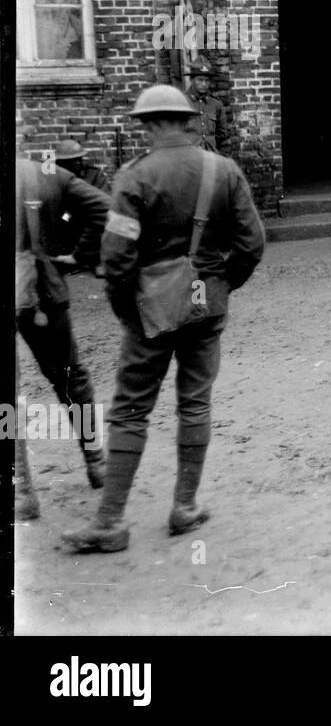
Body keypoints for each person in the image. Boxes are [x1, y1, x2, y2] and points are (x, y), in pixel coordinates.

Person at [62, 84, 265, 554]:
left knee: (131, 408)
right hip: (205, 299)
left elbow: (116, 258)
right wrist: (220, 285)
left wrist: (127, 307)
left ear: (150, 125)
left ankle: (111, 520)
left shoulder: (133, 177)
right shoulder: (223, 170)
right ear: (188, 121)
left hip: (150, 305)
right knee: (195, 402)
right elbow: (252, 245)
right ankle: (185, 507)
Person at [14, 154, 111, 520]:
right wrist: (81, 255)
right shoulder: (45, 174)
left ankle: (21, 490)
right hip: (42, 289)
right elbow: (105, 209)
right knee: (70, 376)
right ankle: (96, 461)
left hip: (33, 290)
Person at [185, 57, 232, 156]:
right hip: (189, 159)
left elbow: (222, 136)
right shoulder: (181, 103)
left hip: (211, 159)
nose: (204, 84)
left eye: (207, 81)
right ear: (191, 79)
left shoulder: (216, 104)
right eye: (200, 80)